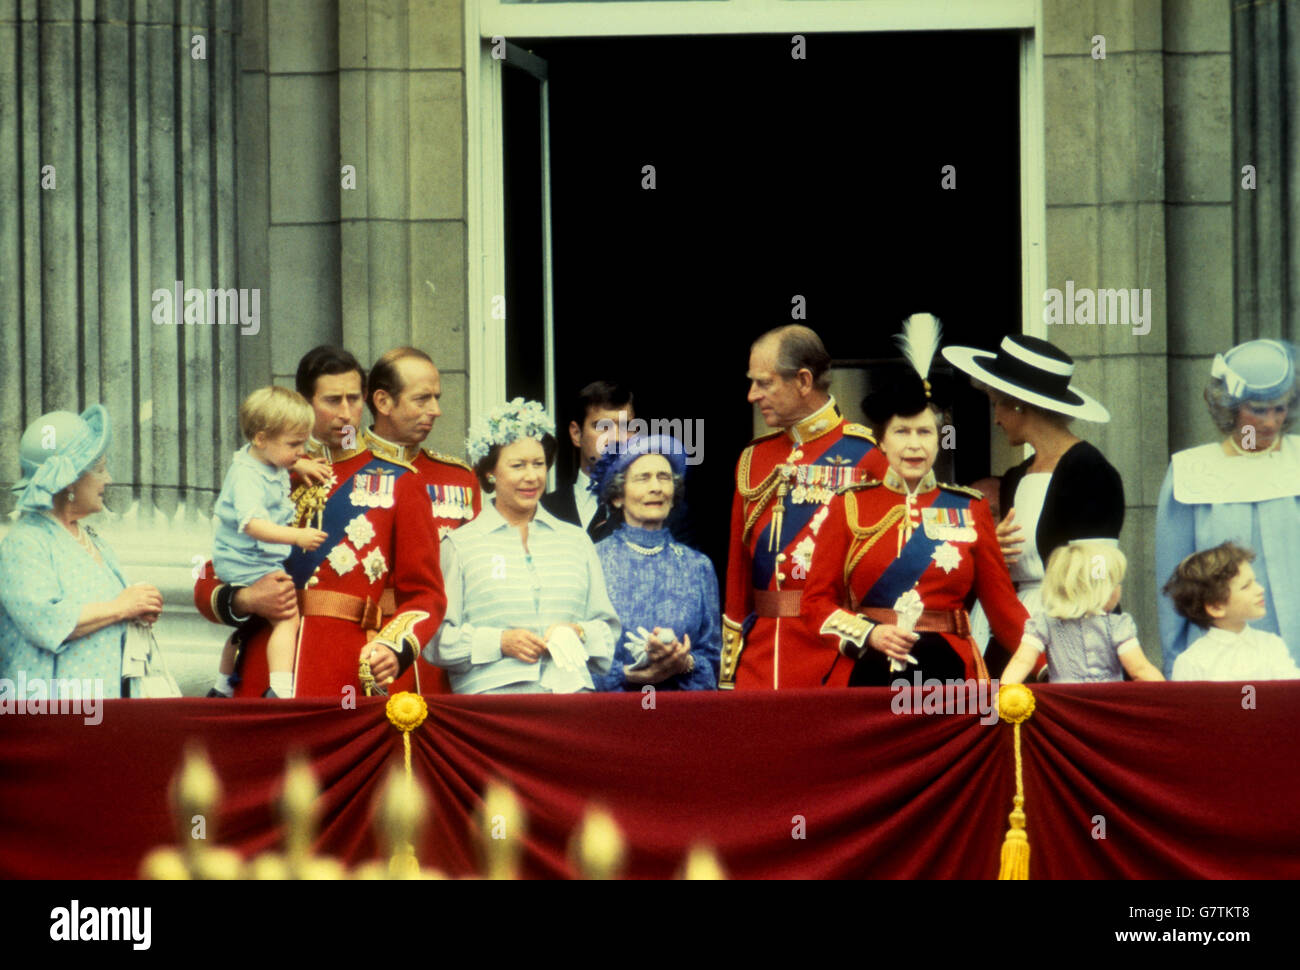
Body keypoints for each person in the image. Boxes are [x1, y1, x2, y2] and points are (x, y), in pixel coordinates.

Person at [193, 346, 446, 698]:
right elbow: (209, 574)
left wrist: (393, 647)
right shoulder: (268, 476)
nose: (346, 413)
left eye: (353, 399)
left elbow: (425, 595)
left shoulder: (401, 482)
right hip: (265, 673)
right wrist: (246, 599)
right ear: (305, 404)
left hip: (349, 672)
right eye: (332, 400)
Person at [801, 315, 1028, 685]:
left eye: (925, 432)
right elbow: (815, 604)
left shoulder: (969, 508)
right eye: (902, 432)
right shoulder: (848, 506)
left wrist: (1054, 667)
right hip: (868, 668)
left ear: (939, 438)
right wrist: (869, 633)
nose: (914, 444)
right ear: (882, 440)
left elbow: (1004, 611)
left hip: (951, 675)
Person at [942, 334, 1123, 672]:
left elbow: (1100, 578)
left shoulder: (1090, 470)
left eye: (997, 403)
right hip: (1013, 628)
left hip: (1073, 626)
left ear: (1018, 404)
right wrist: (990, 551)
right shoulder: (1014, 477)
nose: (995, 418)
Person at [722, 325, 889, 689]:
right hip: (759, 664)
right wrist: (730, 671)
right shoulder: (754, 458)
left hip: (833, 658)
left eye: (764, 383)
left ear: (803, 380)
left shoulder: (867, 458)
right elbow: (738, 576)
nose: (752, 395)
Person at [429, 398, 618, 694]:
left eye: (539, 464)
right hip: (494, 707)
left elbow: (607, 631)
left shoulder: (575, 541)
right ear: (490, 472)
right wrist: (498, 642)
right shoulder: (460, 546)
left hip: (571, 705)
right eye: (518, 465)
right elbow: (436, 640)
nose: (531, 476)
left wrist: (578, 632)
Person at [1156, 338, 1300, 675]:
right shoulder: (1191, 472)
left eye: (1279, 408)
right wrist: (1176, 662)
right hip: (1219, 656)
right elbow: (1175, 578)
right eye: (1258, 410)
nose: (1270, 422)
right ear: (1232, 408)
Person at [1, 406, 164, 698]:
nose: (109, 479)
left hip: (102, 711)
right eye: (99, 469)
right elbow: (45, 621)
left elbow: (112, 610)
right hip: (52, 716)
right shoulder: (25, 542)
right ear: (69, 481)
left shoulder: (91, 538)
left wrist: (137, 609)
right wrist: (123, 607)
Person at [363, 346, 481, 694]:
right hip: (370, 650)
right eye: (422, 399)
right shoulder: (339, 472)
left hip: (439, 658)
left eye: (437, 398)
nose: (437, 410)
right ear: (383, 402)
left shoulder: (458, 478)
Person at [209, 387, 326, 698]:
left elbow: (281, 461)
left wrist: (299, 464)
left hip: (247, 556)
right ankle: (280, 689)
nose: (301, 451)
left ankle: (221, 687)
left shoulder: (263, 457)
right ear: (261, 438)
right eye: (294, 444)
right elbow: (253, 524)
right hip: (245, 557)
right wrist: (297, 536)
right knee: (287, 618)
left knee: (247, 627)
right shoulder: (246, 477)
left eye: (304, 443)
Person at [588, 434, 719, 690]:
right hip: (609, 717)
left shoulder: (698, 566)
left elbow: (714, 659)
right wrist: (629, 674)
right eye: (643, 478)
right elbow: (576, 658)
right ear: (617, 496)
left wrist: (684, 662)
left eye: (664, 477)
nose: (656, 487)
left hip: (681, 716)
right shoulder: (592, 559)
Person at [1001, 543, 1164, 684]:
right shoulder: (1117, 626)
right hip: (1108, 706)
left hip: (1065, 707)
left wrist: (1003, 692)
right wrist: (1171, 696)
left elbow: (1022, 661)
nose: (1120, 587)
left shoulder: (1043, 624)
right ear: (1103, 589)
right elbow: (1139, 669)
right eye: (1117, 582)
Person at [1164, 541, 1300, 681]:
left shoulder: (1271, 645)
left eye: (1255, 581)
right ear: (1216, 607)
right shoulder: (1192, 662)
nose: (1260, 590)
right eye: (1246, 586)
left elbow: (1291, 694)